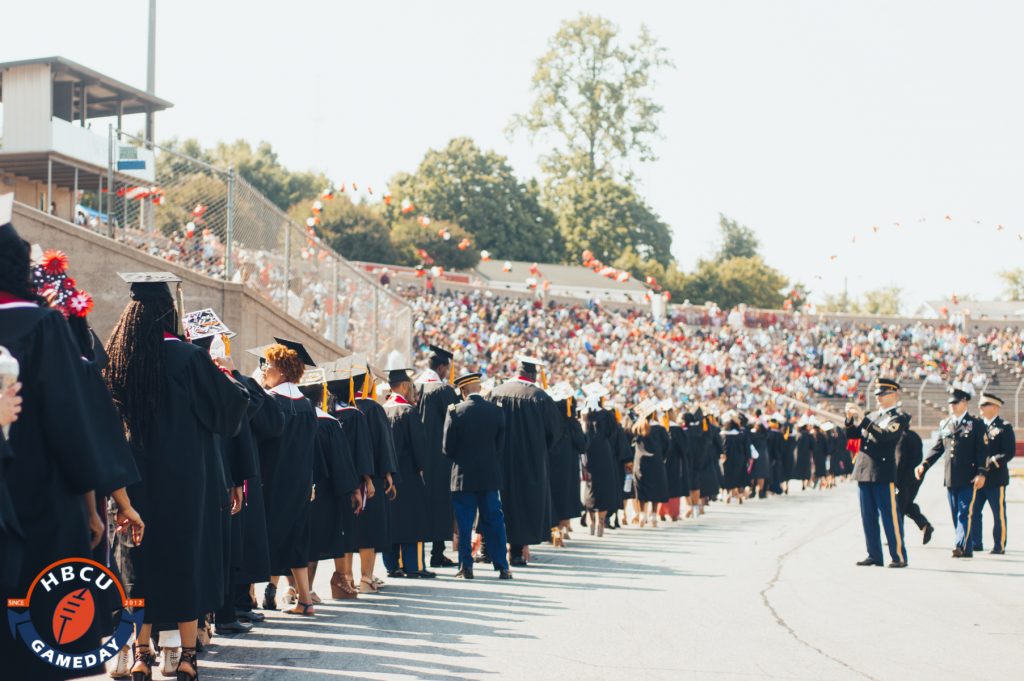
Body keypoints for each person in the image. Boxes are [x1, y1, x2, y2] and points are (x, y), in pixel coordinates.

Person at [106, 272, 250, 681]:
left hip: (135, 481)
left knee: (138, 561)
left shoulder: (120, 357)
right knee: (186, 559)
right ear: (169, 311)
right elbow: (229, 412)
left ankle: (140, 655)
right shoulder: (189, 358)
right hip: (187, 481)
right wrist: (227, 373)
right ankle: (187, 657)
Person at [249, 340, 318, 614]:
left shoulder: (270, 401)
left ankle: (249, 598)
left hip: (271, 480)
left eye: (269, 365)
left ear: (282, 370)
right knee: (297, 538)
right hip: (300, 482)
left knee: (260, 537)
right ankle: (305, 600)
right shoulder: (307, 406)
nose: (265, 370)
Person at [488, 355, 561, 566]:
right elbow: (554, 432)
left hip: (500, 458)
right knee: (523, 504)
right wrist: (539, 449)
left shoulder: (497, 392)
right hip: (530, 461)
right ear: (533, 374)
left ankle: (492, 549)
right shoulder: (539, 397)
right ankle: (518, 552)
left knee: (501, 502)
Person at [298, 368, 362, 603]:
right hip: (321, 493)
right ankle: (308, 589)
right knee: (312, 542)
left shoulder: (289, 414)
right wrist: (353, 490)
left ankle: (288, 589)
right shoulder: (328, 423)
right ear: (321, 396)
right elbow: (341, 463)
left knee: (293, 538)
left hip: (289, 488)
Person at [442, 372, 513, 579]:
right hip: (489, 475)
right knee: (494, 522)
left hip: (463, 476)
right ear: (479, 388)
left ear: (463, 391)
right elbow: (500, 446)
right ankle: (502, 566)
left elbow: (447, 448)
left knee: (464, 524)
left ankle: (466, 566)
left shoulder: (455, 411)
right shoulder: (496, 411)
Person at [324, 356, 376, 599]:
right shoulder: (354, 415)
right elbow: (362, 451)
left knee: (333, 529)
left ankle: (345, 579)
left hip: (326, 479)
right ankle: (345, 579)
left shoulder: (324, 415)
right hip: (350, 478)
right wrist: (366, 479)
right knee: (345, 528)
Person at [915, 387, 988, 558]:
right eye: (950, 403)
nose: (952, 406)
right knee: (956, 514)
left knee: (964, 512)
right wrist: (924, 465)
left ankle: (959, 544)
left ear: (964, 402)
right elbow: (938, 448)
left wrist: (982, 473)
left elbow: (982, 451)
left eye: (955, 403)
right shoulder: (946, 424)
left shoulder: (976, 424)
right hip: (950, 477)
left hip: (969, 477)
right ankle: (967, 548)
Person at [845, 378, 909, 568]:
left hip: (882, 472)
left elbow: (884, 436)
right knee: (868, 517)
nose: (879, 398)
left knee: (890, 517)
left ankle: (898, 556)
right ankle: (874, 554)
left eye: (883, 394)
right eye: (878, 394)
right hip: (864, 471)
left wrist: (863, 419)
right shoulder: (872, 415)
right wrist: (850, 420)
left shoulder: (899, 417)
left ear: (894, 395)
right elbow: (853, 436)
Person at [382, 355, 434, 579]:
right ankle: (413, 565)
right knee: (412, 521)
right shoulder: (409, 412)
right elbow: (419, 449)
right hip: (409, 476)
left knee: (392, 520)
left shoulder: (381, 410)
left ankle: (392, 565)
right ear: (403, 386)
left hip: (387, 476)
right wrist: (423, 467)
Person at [415, 344, 460, 568]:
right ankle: (437, 553)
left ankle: (417, 556)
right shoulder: (443, 391)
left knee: (421, 503)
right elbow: (457, 421)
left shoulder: (415, 386)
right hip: (440, 456)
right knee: (440, 502)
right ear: (442, 367)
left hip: (417, 456)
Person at [970, 392, 1014, 555]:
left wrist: (989, 462)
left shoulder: (1004, 426)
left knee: (998, 513)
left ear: (995, 407)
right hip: (978, 478)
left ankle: (999, 545)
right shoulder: (977, 425)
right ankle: (976, 543)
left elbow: (1008, 452)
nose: (980, 408)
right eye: (980, 405)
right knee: (973, 512)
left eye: (984, 405)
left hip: (996, 478)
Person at [547, 383, 588, 543]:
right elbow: (582, 445)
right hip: (568, 466)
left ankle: (552, 528)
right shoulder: (572, 423)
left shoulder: (548, 422)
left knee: (551, 494)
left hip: (549, 464)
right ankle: (563, 528)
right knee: (565, 495)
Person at [894, 418, 934, 546]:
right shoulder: (915, 436)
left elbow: (900, 461)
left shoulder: (901, 437)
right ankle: (924, 525)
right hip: (916, 476)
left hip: (903, 478)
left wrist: (895, 480)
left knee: (899, 507)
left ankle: (897, 536)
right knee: (906, 504)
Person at [633, 401, 670, 526]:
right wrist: (662, 457)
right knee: (656, 488)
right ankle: (653, 516)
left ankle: (642, 515)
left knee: (642, 489)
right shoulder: (660, 429)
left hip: (640, 463)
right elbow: (667, 446)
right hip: (656, 462)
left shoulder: (637, 427)